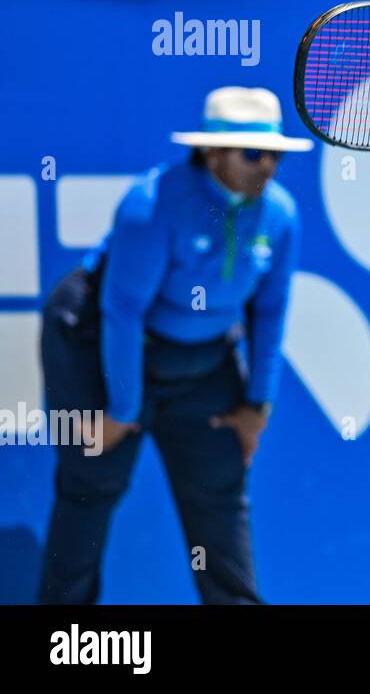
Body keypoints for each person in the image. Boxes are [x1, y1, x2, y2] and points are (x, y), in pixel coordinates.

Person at [38, 86, 311, 604]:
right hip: (99, 347)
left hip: (202, 362)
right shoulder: (151, 204)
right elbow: (122, 312)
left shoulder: (281, 215)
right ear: (211, 152)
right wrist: (122, 410)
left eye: (276, 154)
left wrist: (257, 405)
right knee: (89, 485)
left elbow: (270, 310)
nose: (268, 167)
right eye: (253, 154)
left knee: (220, 496)